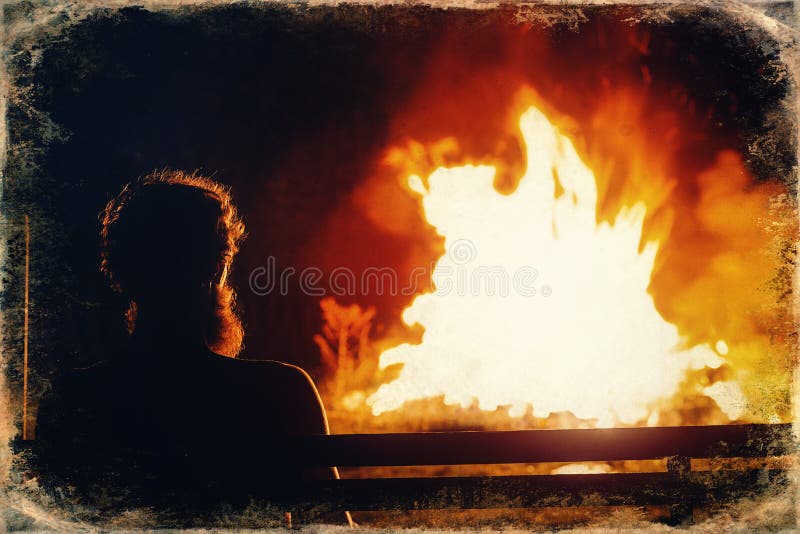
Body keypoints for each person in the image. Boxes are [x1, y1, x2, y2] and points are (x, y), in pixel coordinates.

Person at [35, 170, 339, 520]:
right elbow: (329, 522)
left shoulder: (72, 398)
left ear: (120, 273)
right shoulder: (282, 391)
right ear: (218, 270)